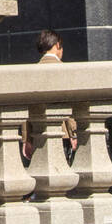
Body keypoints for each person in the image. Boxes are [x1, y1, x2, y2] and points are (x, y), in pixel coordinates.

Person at [21, 30, 78, 164]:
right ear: (58, 45)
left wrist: (26, 139)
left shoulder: (30, 72)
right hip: (62, 133)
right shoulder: (64, 70)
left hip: (38, 132)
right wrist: (73, 133)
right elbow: (68, 103)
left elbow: (26, 106)